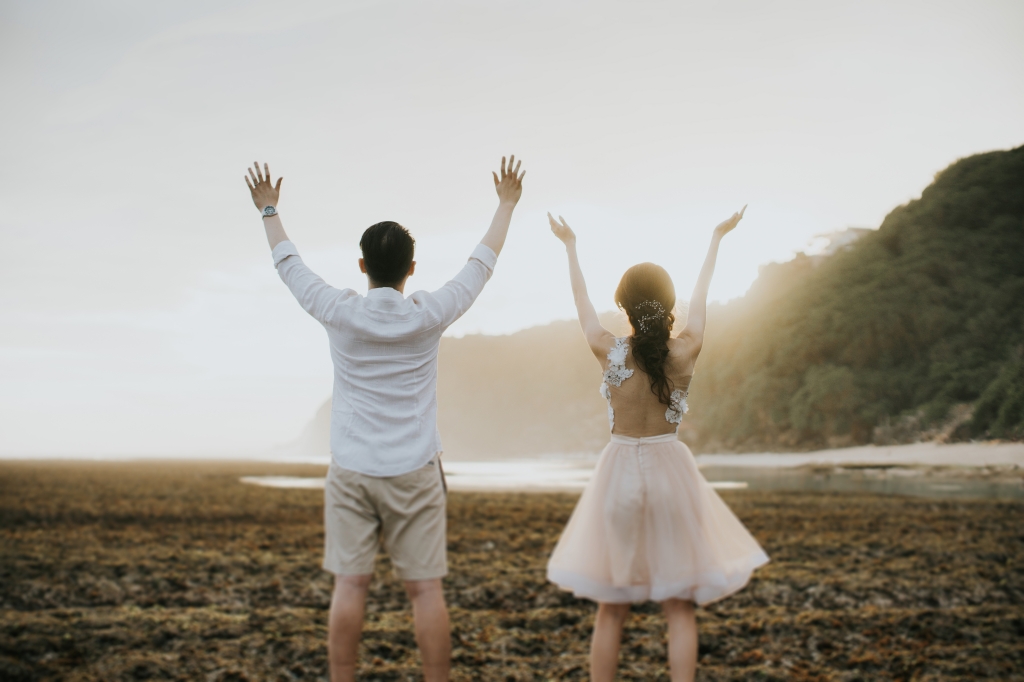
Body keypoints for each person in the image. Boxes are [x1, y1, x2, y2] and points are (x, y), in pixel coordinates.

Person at [245, 156, 526, 682]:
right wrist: (505, 203)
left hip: (352, 468)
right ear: (411, 269)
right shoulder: (429, 314)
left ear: (361, 266)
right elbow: (480, 264)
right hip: (415, 469)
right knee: (425, 591)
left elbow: (290, 265)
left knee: (351, 586)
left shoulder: (339, 310)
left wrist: (268, 209)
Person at [545, 208, 769, 682]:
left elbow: (579, 299)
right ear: (669, 303)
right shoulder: (687, 348)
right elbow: (702, 295)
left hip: (619, 472)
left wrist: (570, 245)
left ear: (623, 306)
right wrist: (715, 238)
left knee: (611, 608)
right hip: (672, 472)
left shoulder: (606, 348)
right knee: (679, 608)